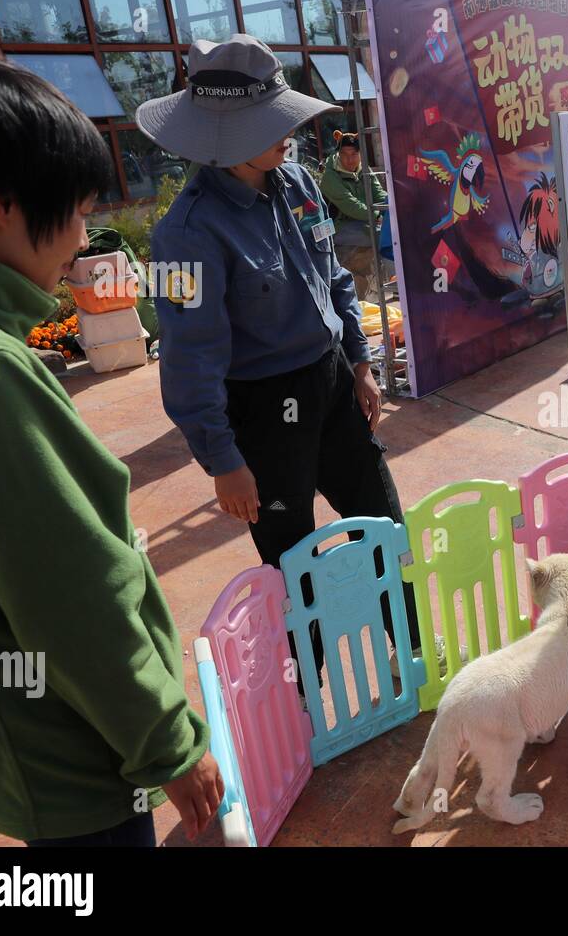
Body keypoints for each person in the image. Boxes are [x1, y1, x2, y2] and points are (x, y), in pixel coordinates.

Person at [0, 60, 221, 846]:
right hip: (77, 761)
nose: (80, 239)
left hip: (12, 740)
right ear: (3, 206)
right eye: (74, 212)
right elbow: (68, 598)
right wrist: (166, 741)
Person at [137, 36, 449, 676]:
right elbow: (190, 360)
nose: (291, 133)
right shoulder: (185, 236)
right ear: (224, 136)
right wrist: (223, 461)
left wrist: (360, 364)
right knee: (292, 557)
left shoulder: (299, 183)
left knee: (382, 521)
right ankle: (307, 688)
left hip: (332, 383)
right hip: (261, 411)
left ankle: (411, 649)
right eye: (271, 122)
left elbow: (334, 278)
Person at [320, 130, 387, 306]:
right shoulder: (329, 176)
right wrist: (377, 215)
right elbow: (350, 205)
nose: (349, 160)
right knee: (379, 235)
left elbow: (379, 194)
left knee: (389, 231)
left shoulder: (363, 169)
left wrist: (390, 207)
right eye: (344, 154)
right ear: (338, 154)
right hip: (334, 227)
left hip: (360, 222)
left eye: (354, 154)